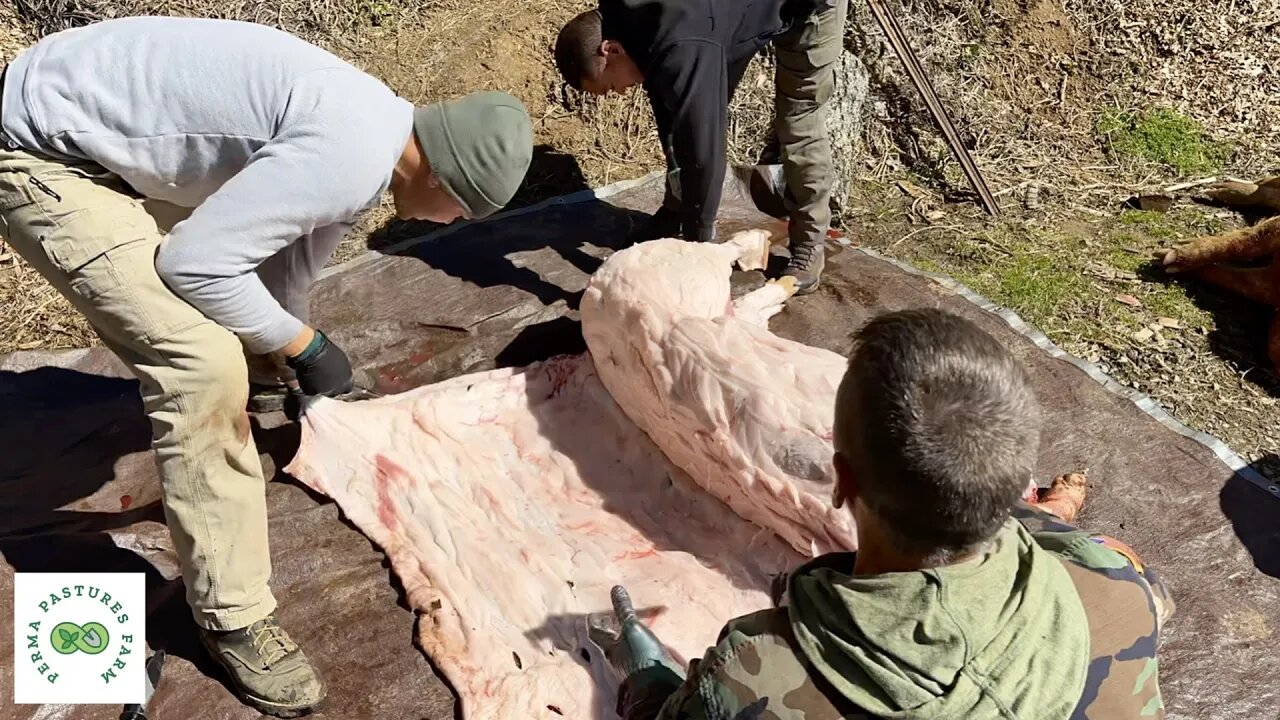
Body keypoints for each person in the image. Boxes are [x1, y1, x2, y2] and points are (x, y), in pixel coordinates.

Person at [0, 16, 532, 716]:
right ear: (439, 173)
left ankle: (252, 385)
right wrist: (304, 347)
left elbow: (287, 269)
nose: (450, 225)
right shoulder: (349, 157)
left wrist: (285, 352)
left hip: (80, 116)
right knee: (201, 364)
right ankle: (233, 617)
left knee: (240, 332)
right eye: (459, 212)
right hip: (39, 149)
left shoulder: (373, 130)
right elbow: (193, 264)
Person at [592, 308, 1174, 719]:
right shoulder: (1112, 581)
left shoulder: (749, 676)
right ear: (1015, 485)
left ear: (841, 481)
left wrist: (648, 683)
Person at [553, 0, 846, 294]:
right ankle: (676, 208)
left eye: (608, 86)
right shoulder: (626, 18)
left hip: (809, 8)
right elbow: (670, 109)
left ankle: (810, 242)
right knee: (683, 110)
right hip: (724, 14)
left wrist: (697, 250)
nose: (617, 93)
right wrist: (682, 203)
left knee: (798, 122)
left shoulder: (684, 44)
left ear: (611, 50)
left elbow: (705, 155)